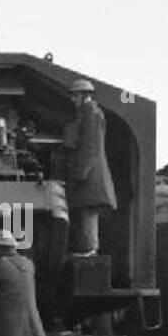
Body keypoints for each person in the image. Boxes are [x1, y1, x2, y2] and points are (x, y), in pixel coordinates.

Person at [62, 78, 117, 256]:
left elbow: (91, 146)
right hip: (86, 174)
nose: (72, 99)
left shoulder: (92, 113)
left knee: (88, 211)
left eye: (75, 95)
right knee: (84, 212)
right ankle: (87, 248)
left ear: (85, 96)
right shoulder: (86, 113)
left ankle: (90, 249)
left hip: (90, 175)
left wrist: (81, 171)